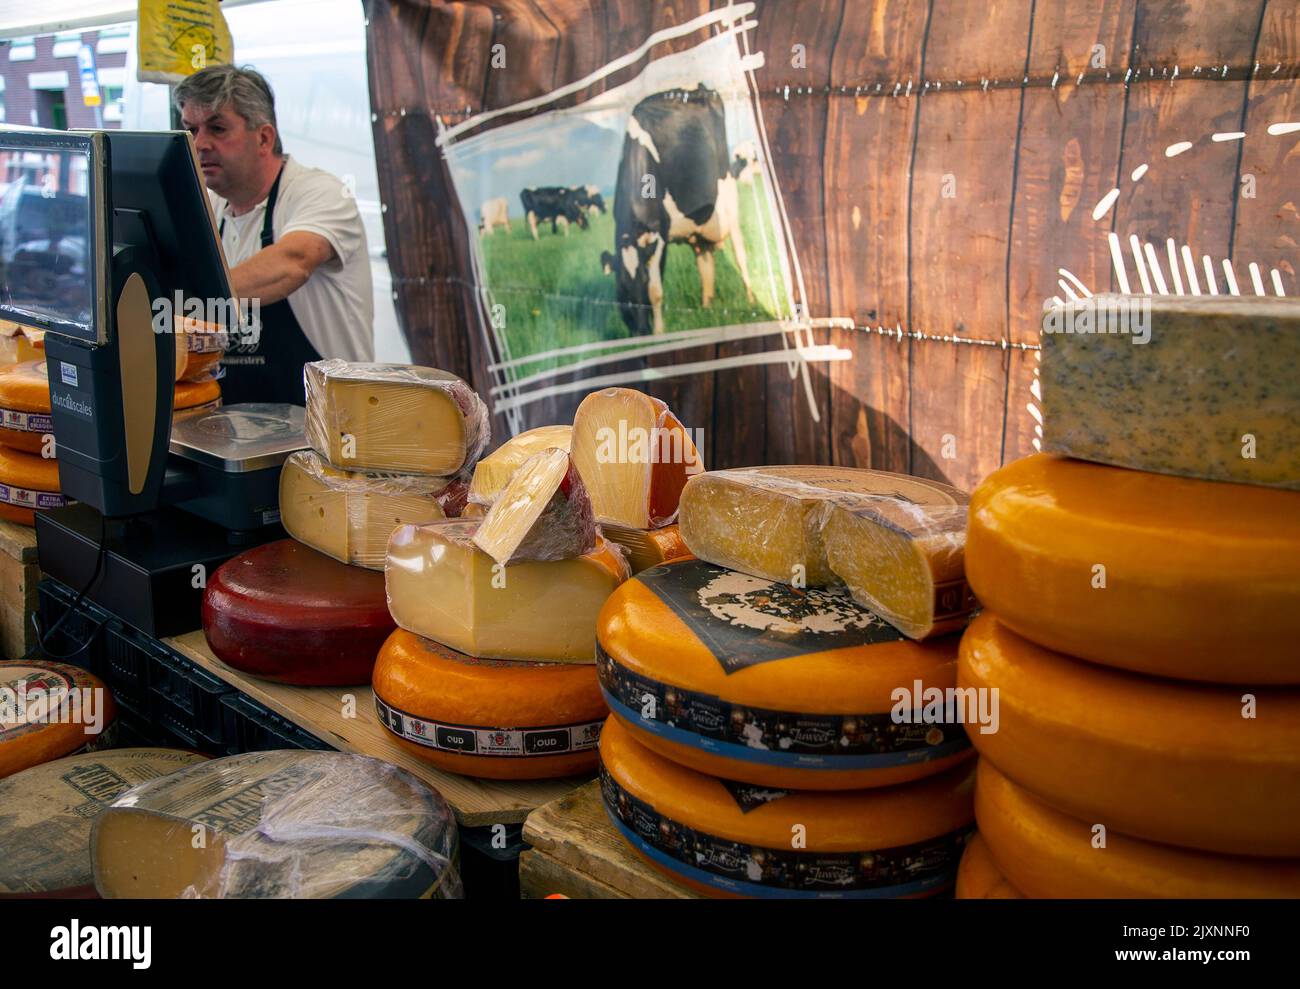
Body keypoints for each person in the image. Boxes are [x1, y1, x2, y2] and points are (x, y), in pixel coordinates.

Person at [174, 64, 374, 404]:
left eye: (217, 128)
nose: (200, 143)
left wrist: (186, 300)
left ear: (264, 137)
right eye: (191, 130)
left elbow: (291, 263)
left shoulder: (318, 192)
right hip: (239, 431)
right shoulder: (207, 207)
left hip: (334, 432)